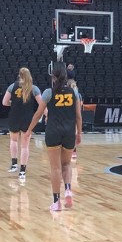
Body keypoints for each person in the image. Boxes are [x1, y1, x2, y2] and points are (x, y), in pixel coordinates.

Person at [30, 66, 83, 210]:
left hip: (53, 131)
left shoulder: (48, 92)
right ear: (66, 78)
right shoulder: (74, 92)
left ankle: (56, 202)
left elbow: (38, 114)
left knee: (55, 168)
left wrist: (29, 130)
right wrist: (79, 133)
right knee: (66, 165)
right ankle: (68, 189)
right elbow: (78, 116)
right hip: (69, 132)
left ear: (53, 78)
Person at [3, 67, 45, 182]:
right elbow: (42, 104)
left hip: (14, 117)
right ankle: (22, 170)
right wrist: (47, 115)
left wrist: (14, 102)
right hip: (28, 119)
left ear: (19, 75)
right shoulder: (34, 88)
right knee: (25, 145)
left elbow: (4, 102)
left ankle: (14, 165)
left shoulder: (12, 86)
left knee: (13, 141)